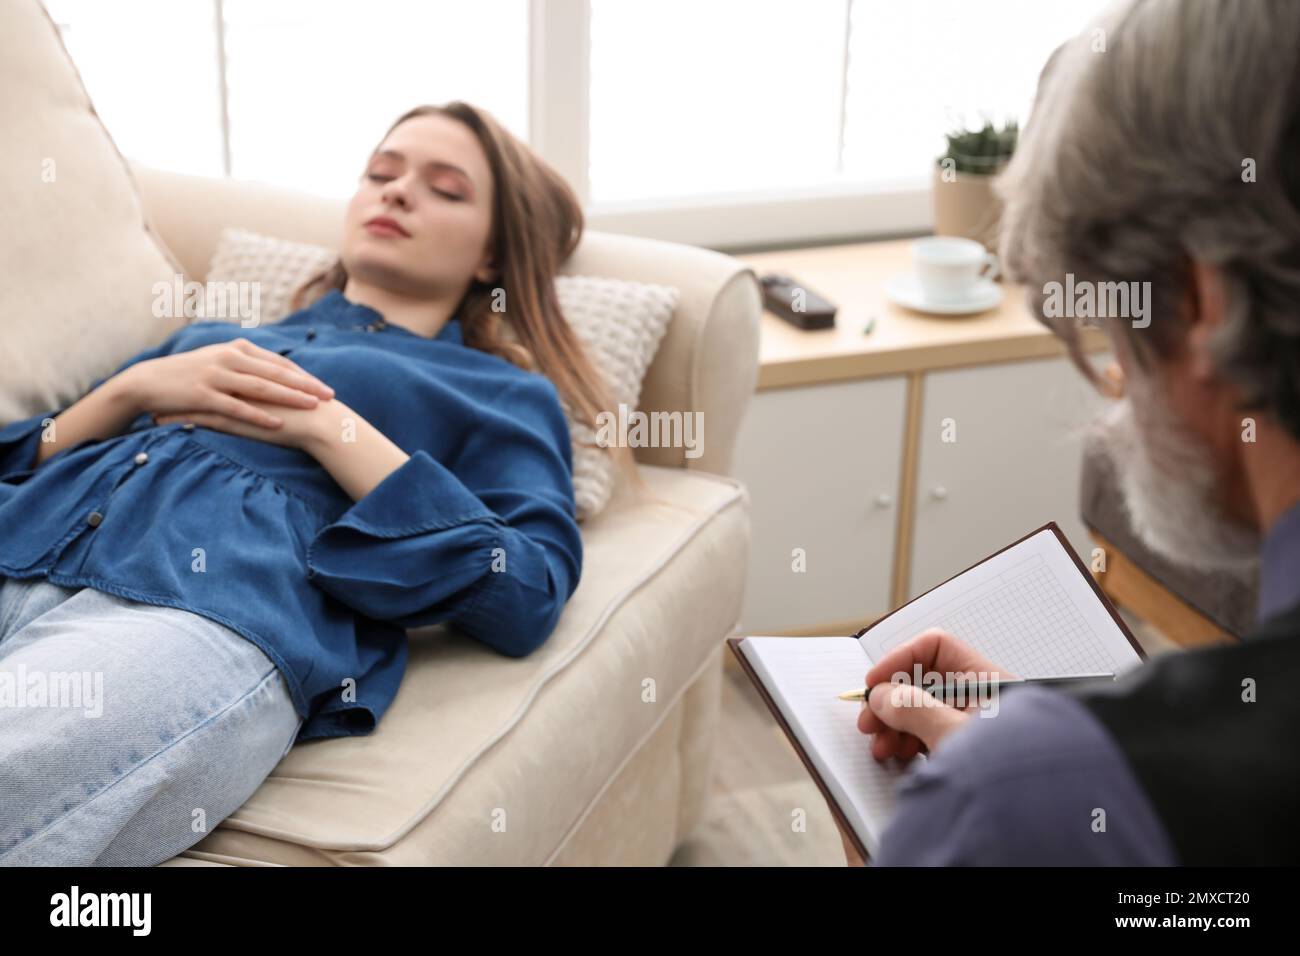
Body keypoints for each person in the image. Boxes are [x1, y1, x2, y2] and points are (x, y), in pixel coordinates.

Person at [0, 102, 614, 866]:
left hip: (204, 609)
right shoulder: (212, 337)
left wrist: (330, 428)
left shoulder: (500, 392)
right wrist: (132, 390)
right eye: (381, 174)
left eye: (445, 189)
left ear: (492, 258)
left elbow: (526, 590)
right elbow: (21, 456)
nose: (394, 193)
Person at [856, 0, 1300, 864]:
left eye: (1116, 343)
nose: (1116, 402)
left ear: (1203, 302)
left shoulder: (1018, 808)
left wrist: (1005, 795)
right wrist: (1042, 731)